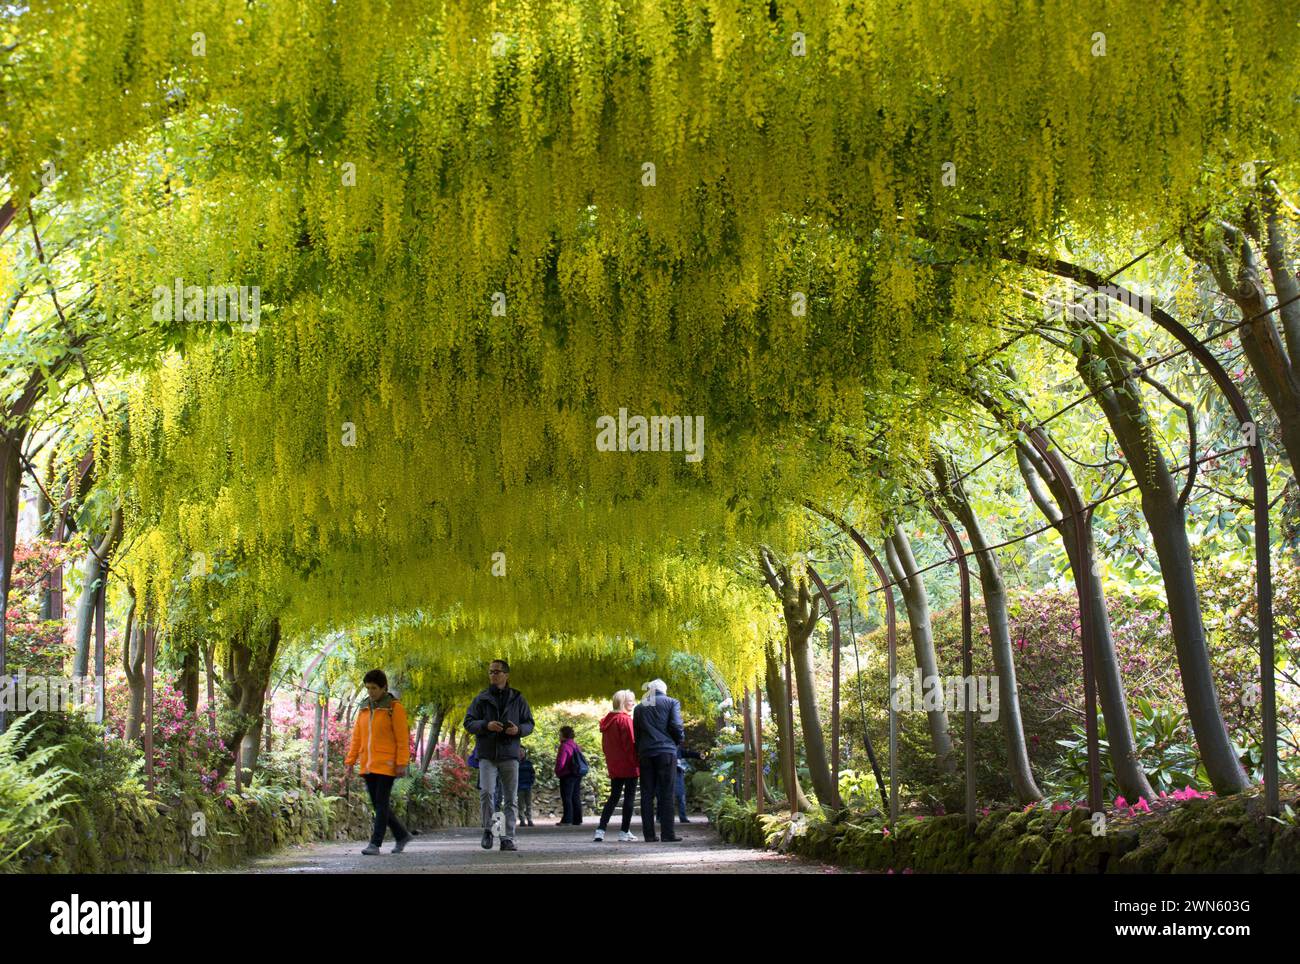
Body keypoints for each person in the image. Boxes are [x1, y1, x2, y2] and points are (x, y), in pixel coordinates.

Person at [463, 659, 534, 852]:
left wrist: (518, 730)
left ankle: (507, 838)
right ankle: (489, 829)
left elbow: (530, 724)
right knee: (487, 792)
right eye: (490, 672)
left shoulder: (518, 698)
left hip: (510, 754)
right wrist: (486, 725)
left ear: (506, 675)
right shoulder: (481, 698)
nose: (493, 675)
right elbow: (468, 722)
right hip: (487, 754)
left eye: (496, 672)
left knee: (510, 798)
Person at [344, 669, 413, 856]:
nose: (370, 692)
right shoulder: (364, 707)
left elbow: (401, 738)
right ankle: (401, 835)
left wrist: (401, 762)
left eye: (374, 688)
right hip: (367, 764)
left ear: (384, 688)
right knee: (378, 804)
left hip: (387, 764)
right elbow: (357, 737)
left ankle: (375, 843)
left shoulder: (394, 707)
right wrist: (350, 761)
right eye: (368, 688)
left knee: (381, 803)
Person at [632, 678, 684, 842]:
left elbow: (637, 733)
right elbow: (676, 725)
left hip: (646, 753)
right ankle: (668, 834)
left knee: (647, 794)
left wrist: (640, 750)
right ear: (664, 690)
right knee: (666, 792)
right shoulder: (671, 702)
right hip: (666, 752)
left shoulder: (639, 708)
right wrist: (677, 741)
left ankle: (649, 835)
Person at [594, 689, 639, 842]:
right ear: (623, 702)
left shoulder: (608, 721)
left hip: (614, 764)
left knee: (613, 797)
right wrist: (637, 761)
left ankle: (600, 829)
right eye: (630, 700)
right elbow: (631, 743)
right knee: (629, 798)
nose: (633, 703)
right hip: (629, 764)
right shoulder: (624, 720)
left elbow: (606, 746)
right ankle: (624, 831)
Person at [554, 725, 586, 825]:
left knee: (566, 797)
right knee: (575, 796)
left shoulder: (564, 746)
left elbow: (561, 762)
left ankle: (567, 820)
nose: (559, 736)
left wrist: (558, 772)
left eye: (560, 734)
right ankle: (577, 819)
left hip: (567, 774)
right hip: (577, 773)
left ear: (564, 735)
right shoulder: (575, 745)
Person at [675, 744, 704, 822]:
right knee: (663, 795)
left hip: (678, 772)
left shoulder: (677, 748)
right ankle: (660, 817)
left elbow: (687, 753)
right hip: (665, 772)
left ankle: (683, 817)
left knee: (681, 795)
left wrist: (698, 755)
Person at [517, 745, 536, 827]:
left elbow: (533, 773)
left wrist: (531, 782)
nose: (521, 753)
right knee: (520, 805)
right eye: (519, 751)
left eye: (522, 751)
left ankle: (529, 819)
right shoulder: (515, 763)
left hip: (528, 786)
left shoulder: (528, 763)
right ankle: (522, 820)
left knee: (528, 804)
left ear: (525, 753)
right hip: (519, 787)